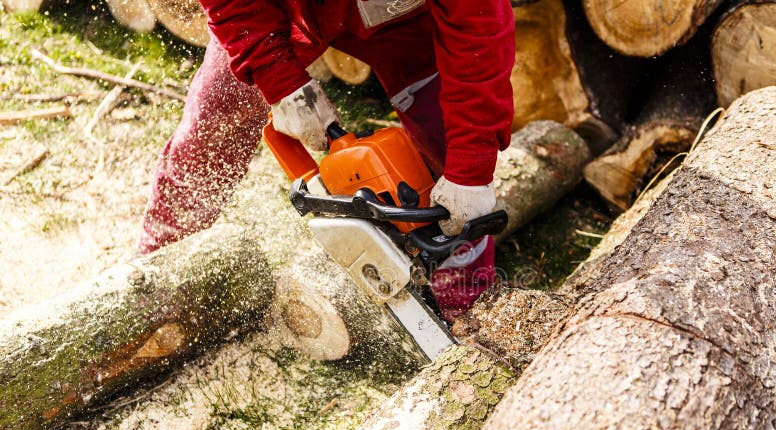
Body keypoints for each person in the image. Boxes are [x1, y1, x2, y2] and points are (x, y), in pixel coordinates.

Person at [139, 0, 515, 321]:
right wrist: (276, 75)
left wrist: (471, 164)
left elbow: (479, 29)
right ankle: (155, 275)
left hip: (408, 18)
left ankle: (470, 306)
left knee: (450, 153)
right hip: (286, 12)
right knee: (218, 115)